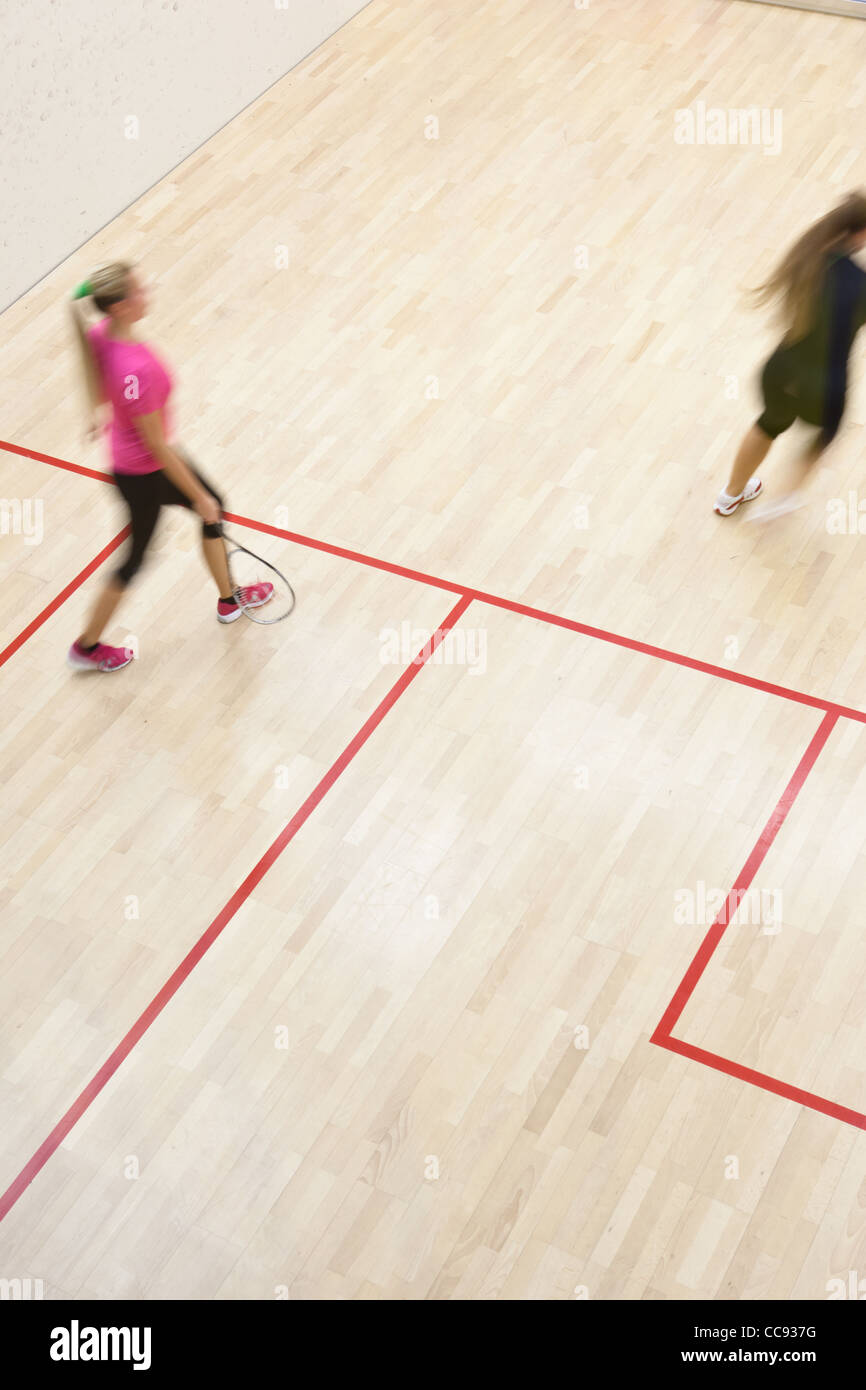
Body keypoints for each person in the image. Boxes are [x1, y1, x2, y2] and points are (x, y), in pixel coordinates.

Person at [67, 262, 271, 672]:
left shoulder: (101, 334)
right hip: (144, 473)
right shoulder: (136, 371)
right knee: (140, 556)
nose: (148, 293)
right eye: (139, 291)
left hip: (136, 464)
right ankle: (87, 648)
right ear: (121, 306)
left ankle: (229, 599)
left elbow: (94, 369)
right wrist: (197, 497)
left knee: (214, 508)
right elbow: (158, 447)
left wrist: (97, 411)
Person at [715, 193, 866, 519]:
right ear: (859, 234)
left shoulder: (808, 255)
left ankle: (730, 495)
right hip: (824, 387)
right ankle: (786, 495)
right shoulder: (859, 284)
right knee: (826, 436)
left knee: (769, 423)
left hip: (780, 372)